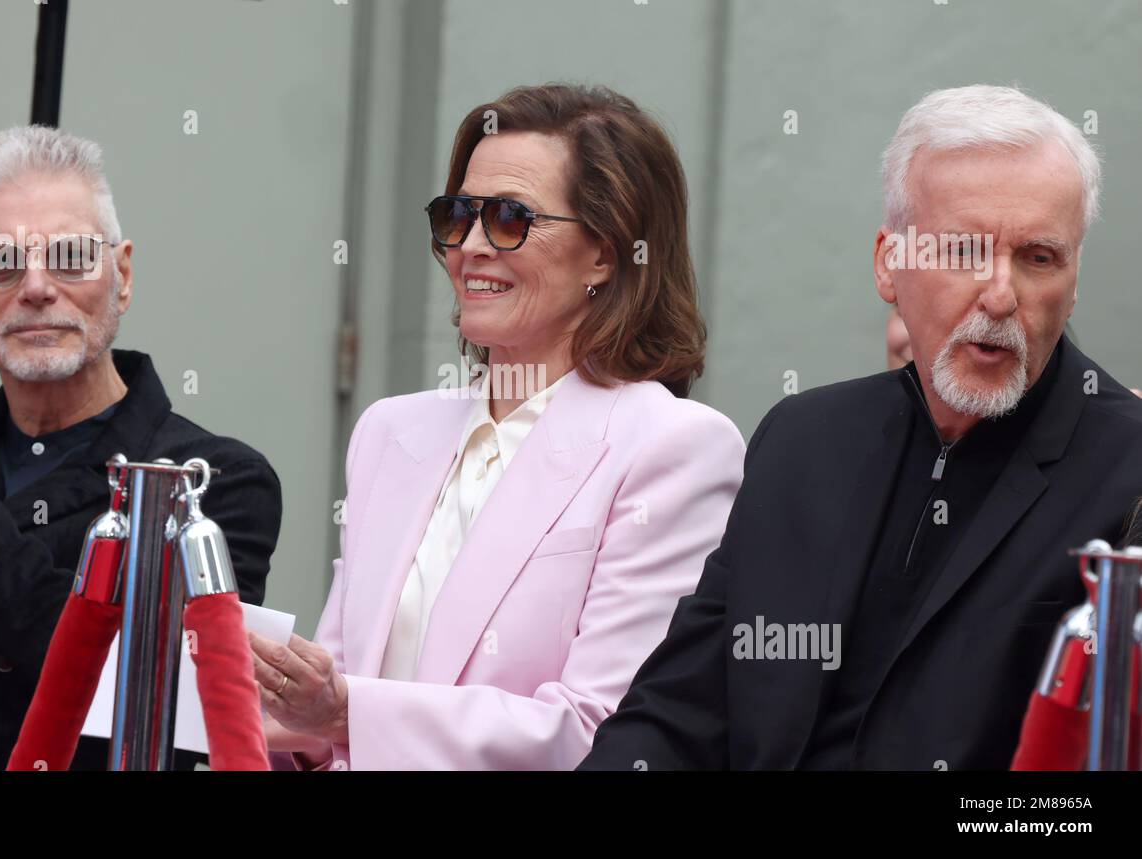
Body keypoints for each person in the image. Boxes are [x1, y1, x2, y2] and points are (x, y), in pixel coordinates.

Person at [581, 85, 1142, 770]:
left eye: (1039, 258)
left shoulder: (1127, 472)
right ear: (889, 262)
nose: (1001, 294)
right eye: (964, 251)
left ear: (1074, 279)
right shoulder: (803, 441)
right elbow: (677, 712)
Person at [250, 84, 744, 770]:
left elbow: (604, 728)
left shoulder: (673, 446)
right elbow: (335, 691)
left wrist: (342, 711)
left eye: (511, 218)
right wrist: (277, 709)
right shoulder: (391, 430)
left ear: (605, 255)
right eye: (458, 215)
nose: (472, 246)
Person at [0, 126, 282, 770]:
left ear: (122, 275)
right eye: (0, 262)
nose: (38, 287)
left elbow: (150, 702)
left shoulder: (212, 480)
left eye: (72, 255)